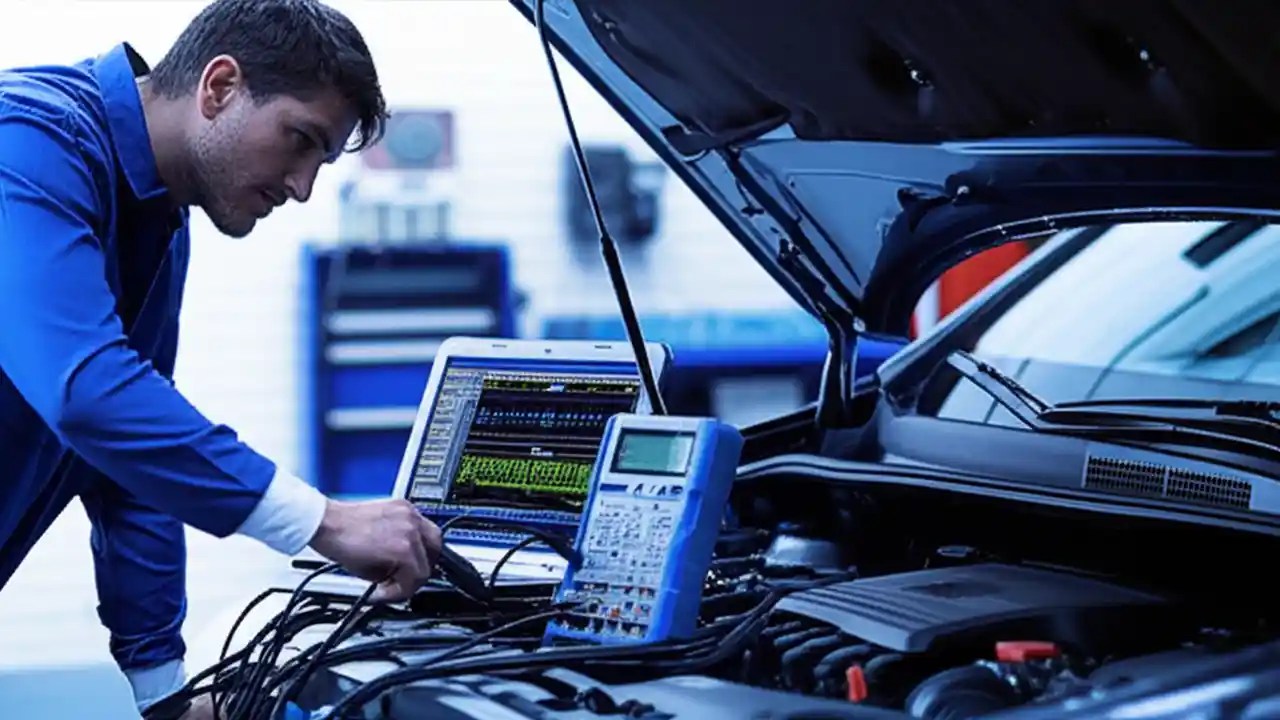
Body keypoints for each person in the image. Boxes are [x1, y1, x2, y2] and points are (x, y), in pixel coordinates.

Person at [0, 0, 442, 715]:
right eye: (300, 141)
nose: (302, 188)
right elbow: (85, 393)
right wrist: (325, 522)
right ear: (220, 86)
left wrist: (167, 698)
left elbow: (126, 471)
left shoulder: (157, 218)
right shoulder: (26, 141)